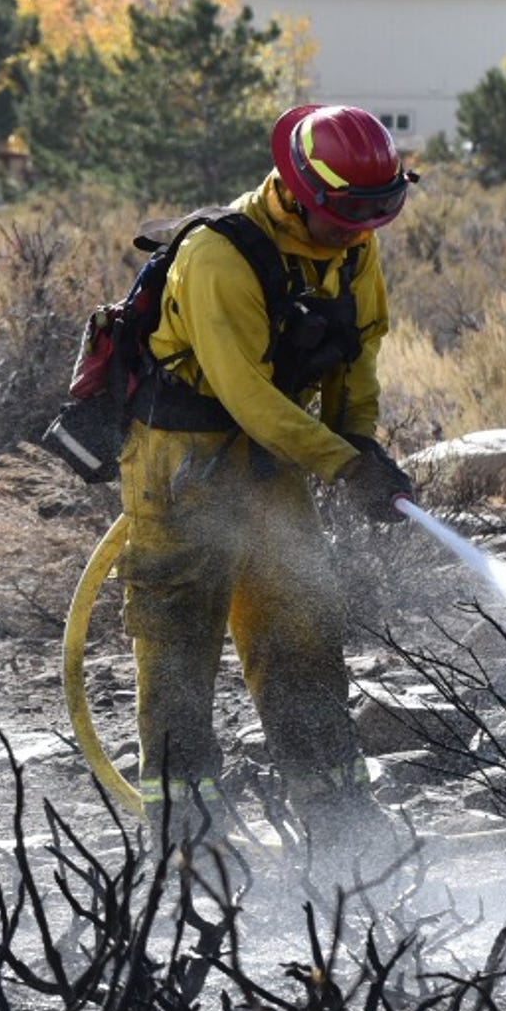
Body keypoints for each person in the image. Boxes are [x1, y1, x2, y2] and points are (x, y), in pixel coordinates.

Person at [121, 104, 417, 855]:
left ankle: (339, 820)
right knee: (180, 647)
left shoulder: (350, 247)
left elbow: (360, 353)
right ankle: (186, 838)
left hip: (276, 455)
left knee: (300, 627)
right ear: (295, 191)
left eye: (368, 219)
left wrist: (359, 443)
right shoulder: (219, 258)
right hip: (182, 463)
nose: (356, 233)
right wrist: (339, 464)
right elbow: (243, 393)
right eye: (343, 217)